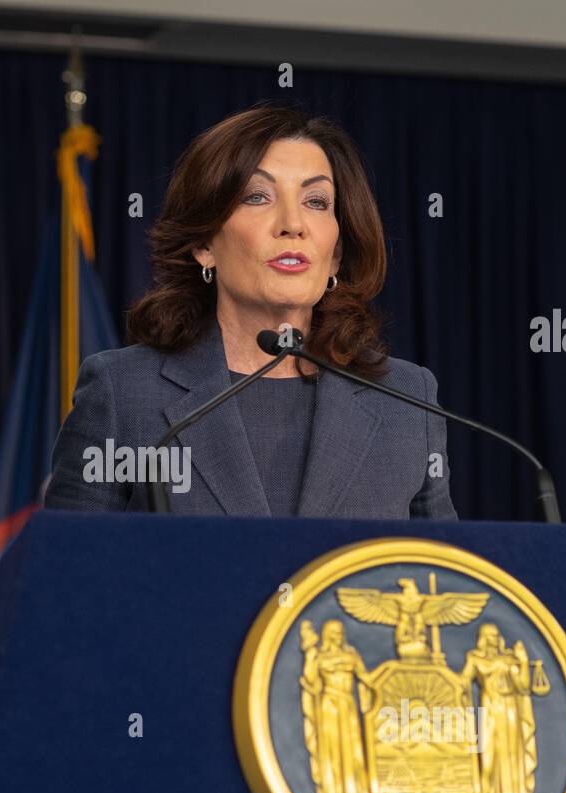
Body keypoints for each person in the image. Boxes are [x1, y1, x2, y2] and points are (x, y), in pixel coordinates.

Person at [44, 102, 456, 519]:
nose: (293, 224)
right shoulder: (124, 393)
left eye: (316, 201)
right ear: (204, 244)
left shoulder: (407, 401)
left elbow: (444, 578)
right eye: (257, 196)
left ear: (336, 254)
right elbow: (68, 573)